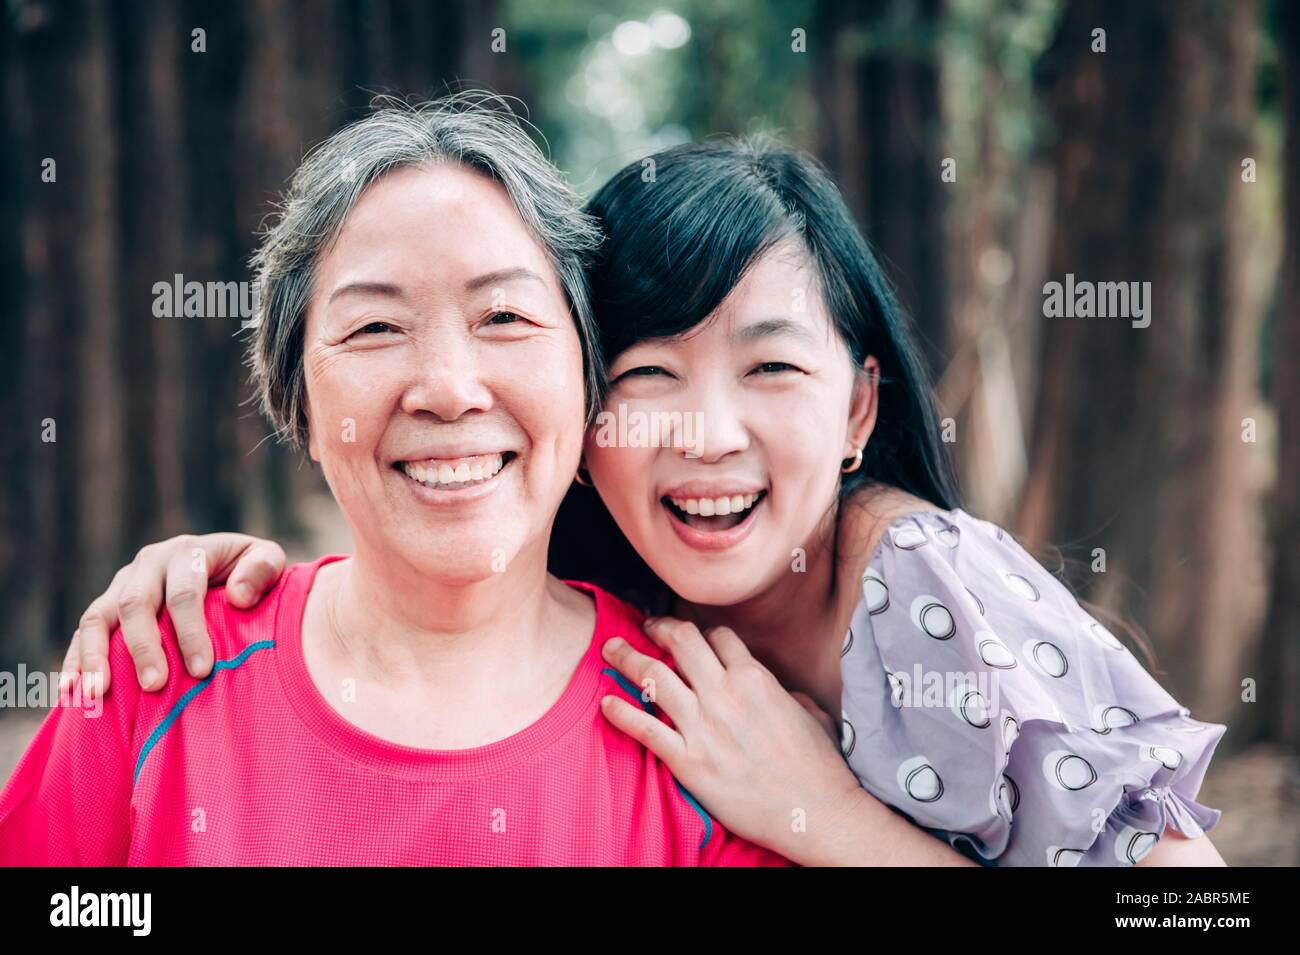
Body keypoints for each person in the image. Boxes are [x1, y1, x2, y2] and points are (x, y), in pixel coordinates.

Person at [55, 135, 1226, 867]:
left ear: (861, 410)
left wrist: (830, 820)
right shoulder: (647, 626)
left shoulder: (925, 593)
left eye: (772, 368)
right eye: (646, 376)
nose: (701, 434)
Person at [0, 96, 800, 866]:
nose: (449, 389)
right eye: (375, 327)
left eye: (504, 318)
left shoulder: (699, 732)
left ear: (588, 383)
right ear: (298, 402)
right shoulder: (157, 670)